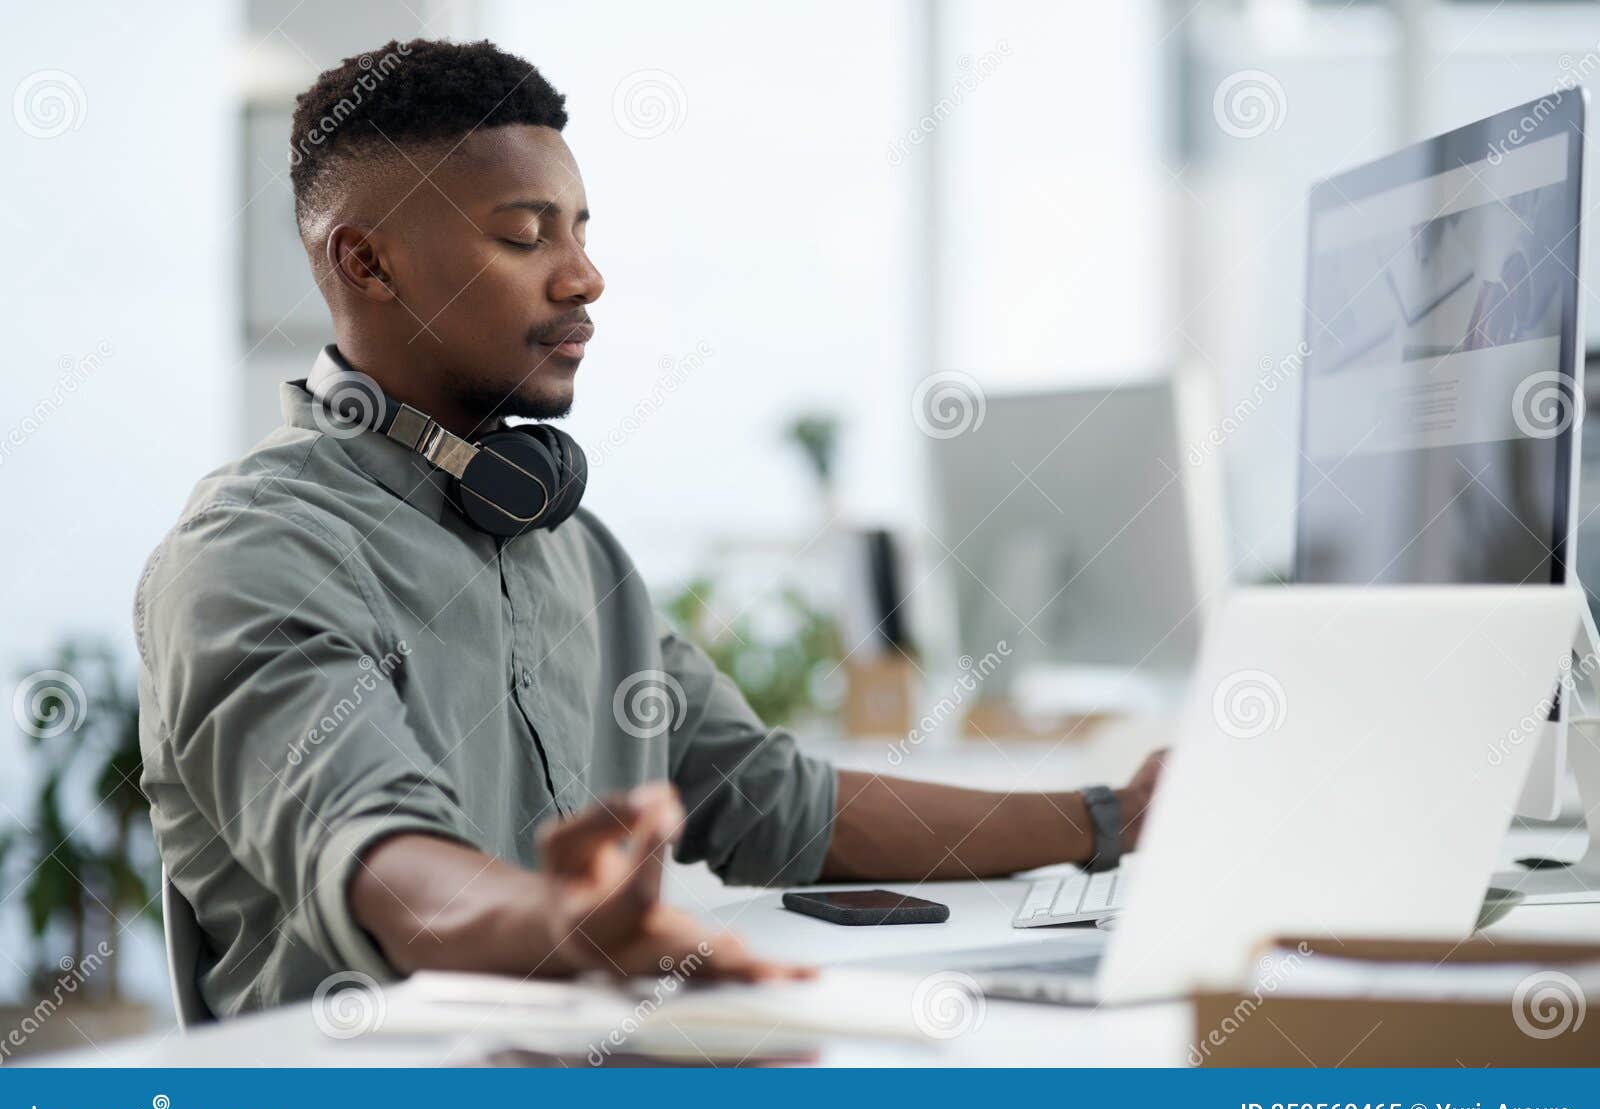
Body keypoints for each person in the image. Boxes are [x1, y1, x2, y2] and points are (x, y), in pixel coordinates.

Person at [134, 38, 1163, 1017]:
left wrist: (1114, 817)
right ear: (367, 263)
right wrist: (556, 924)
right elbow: (371, 850)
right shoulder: (254, 550)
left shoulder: (571, 551)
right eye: (525, 235)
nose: (583, 276)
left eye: (582, 231)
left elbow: (774, 801)